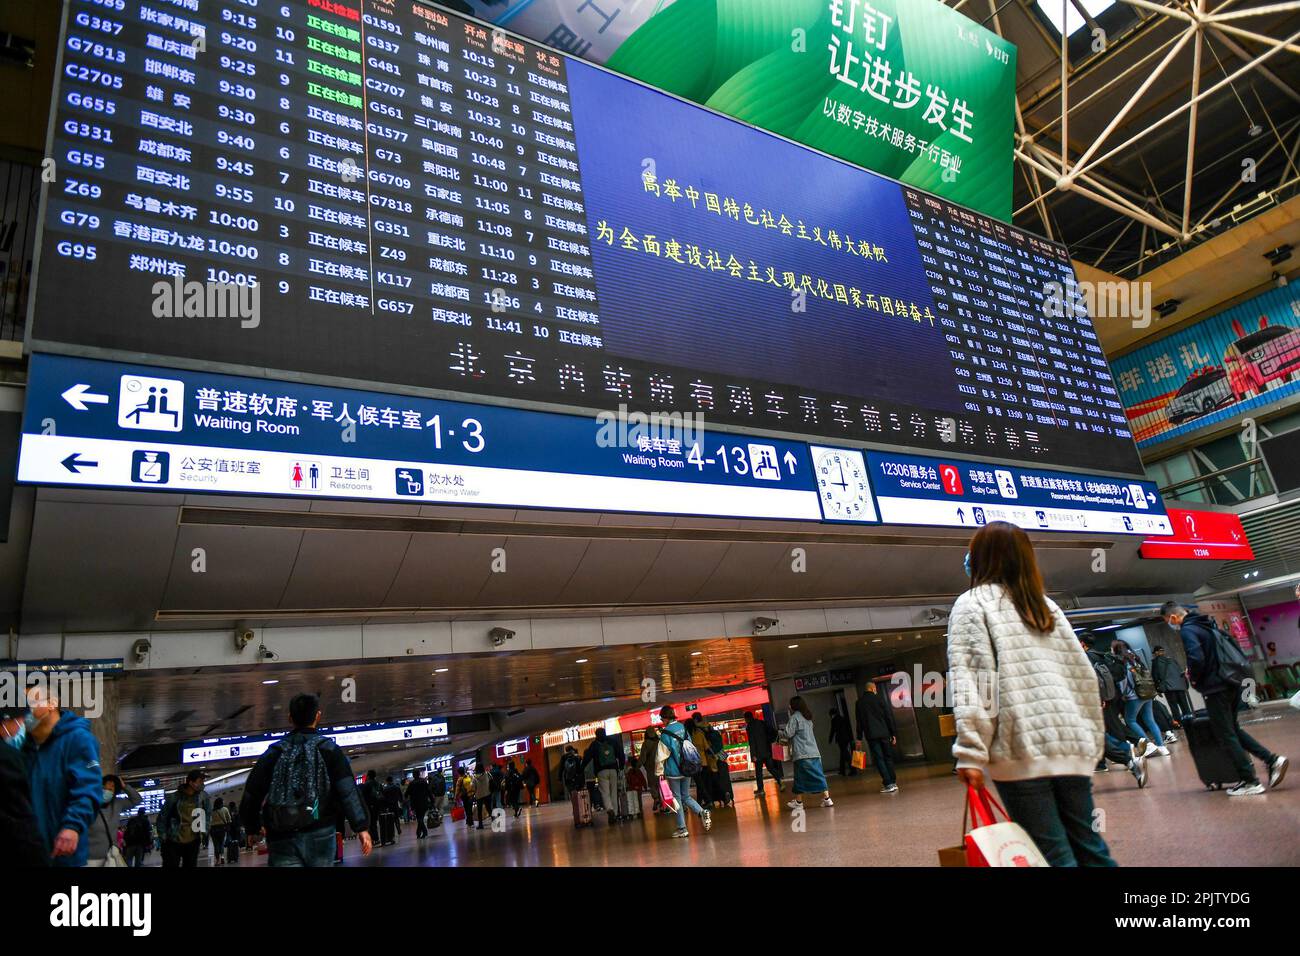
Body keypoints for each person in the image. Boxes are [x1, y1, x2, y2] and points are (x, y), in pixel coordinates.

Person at [948, 521, 1114, 867]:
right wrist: (1089, 738)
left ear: (980, 558)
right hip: (1070, 743)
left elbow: (976, 683)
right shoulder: (1046, 606)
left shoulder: (972, 604)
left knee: (1052, 853)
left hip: (1021, 747)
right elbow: (1081, 676)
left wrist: (970, 753)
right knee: (1090, 846)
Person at [1161, 602, 1288, 795]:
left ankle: (1250, 781)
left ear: (1173, 617)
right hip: (1232, 682)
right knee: (1233, 729)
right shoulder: (1207, 624)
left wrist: (1193, 677)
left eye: (1167, 621)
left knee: (1225, 734)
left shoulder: (1188, 629)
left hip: (1215, 688)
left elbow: (1196, 658)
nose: (1171, 625)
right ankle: (1271, 760)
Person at [239, 693, 372, 866]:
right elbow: (347, 791)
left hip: (282, 836)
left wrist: (252, 828)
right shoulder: (329, 750)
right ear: (318, 715)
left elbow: (252, 793)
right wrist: (361, 827)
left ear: (290, 718)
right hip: (321, 832)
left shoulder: (274, 752)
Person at [15, 687, 102, 867]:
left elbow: (88, 789)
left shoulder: (78, 739)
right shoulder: (24, 748)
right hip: (29, 852)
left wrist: (72, 826)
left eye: (30, 703)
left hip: (63, 854)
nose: (24, 710)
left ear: (51, 704)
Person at [0, 705, 48, 866]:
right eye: (20, 719)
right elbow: (21, 818)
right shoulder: (8, 758)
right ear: (6, 720)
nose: (22, 725)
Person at [655, 705, 711, 838]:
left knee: (677, 799)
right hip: (687, 769)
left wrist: (659, 773)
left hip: (673, 772)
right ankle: (702, 812)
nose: (662, 721)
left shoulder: (665, 734)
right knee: (686, 796)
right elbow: (689, 746)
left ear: (665, 718)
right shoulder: (683, 728)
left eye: (662, 719)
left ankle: (682, 828)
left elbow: (660, 756)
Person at [1112, 640, 1169, 758]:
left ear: (1116, 649)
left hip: (1134, 696)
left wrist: (1124, 694)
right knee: (1150, 720)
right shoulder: (1136, 658)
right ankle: (1162, 747)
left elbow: (1124, 680)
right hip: (1148, 693)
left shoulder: (1123, 661)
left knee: (1130, 720)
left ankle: (1148, 745)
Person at [780, 696, 833, 811]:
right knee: (818, 775)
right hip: (814, 752)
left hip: (802, 753)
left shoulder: (795, 718)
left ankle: (799, 803)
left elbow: (788, 734)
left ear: (794, 705)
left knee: (799, 778)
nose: (789, 706)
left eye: (790, 704)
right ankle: (827, 799)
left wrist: (780, 732)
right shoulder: (808, 717)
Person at [83, 773, 142, 868]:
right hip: (89, 856)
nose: (107, 790)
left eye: (111, 789)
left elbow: (137, 800)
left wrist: (124, 786)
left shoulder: (118, 803)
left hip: (109, 856)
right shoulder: (89, 803)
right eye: (104, 787)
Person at [159, 770, 211, 868]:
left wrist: (205, 831)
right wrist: (163, 837)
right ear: (191, 783)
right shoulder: (174, 797)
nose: (202, 784)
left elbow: (208, 814)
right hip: (173, 840)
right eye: (200, 781)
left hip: (193, 841)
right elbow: (162, 818)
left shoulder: (203, 797)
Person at [855, 682, 900, 792]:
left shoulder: (859, 703)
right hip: (885, 734)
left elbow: (859, 721)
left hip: (872, 735)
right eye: (875, 688)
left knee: (879, 759)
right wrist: (893, 733)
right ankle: (893, 782)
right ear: (872, 688)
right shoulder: (880, 699)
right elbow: (888, 716)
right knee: (888, 757)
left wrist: (859, 738)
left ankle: (888, 783)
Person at [582, 727, 624, 825]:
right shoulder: (612, 741)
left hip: (601, 771)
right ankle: (616, 813)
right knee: (614, 791)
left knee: (605, 792)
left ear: (596, 735)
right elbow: (620, 754)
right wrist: (621, 766)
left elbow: (587, 757)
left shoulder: (594, 744)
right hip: (613, 769)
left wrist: (581, 768)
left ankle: (610, 810)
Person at [1151, 645, 1192, 733]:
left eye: (1154, 653)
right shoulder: (1172, 660)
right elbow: (1180, 672)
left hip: (1169, 688)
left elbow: (1155, 677)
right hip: (1180, 687)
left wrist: (1157, 689)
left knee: (1174, 707)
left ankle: (1179, 724)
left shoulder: (1155, 662)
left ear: (1157, 652)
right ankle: (1190, 722)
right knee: (1185, 706)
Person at [744, 711, 784, 794]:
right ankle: (780, 780)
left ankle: (761, 790)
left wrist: (753, 755)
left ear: (746, 719)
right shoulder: (761, 723)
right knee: (771, 768)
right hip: (767, 751)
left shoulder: (749, 727)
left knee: (759, 772)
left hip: (758, 754)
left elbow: (752, 742)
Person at [689, 713, 719, 809]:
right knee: (705, 783)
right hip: (704, 762)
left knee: (699, 784)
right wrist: (714, 755)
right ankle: (707, 800)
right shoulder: (700, 733)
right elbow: (707, 747)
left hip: (694, 764)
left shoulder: (688, 737)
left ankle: (706, 801)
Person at [640, 727, 664, 810]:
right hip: (660, 766)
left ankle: (656, 798)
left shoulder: (646, 743)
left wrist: (638, 766)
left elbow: (643, 758)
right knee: (660, 784)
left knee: (652, 784)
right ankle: (662, 802)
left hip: (650, 767)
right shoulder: (659, 742)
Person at [828, 707, 856, 776]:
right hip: (847, 738)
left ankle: (853, 770)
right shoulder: (842, 718)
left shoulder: (834, 720)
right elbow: (848, 728)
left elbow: (833, 730)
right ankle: (842, 770)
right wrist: (851, 738)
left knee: (846, 755)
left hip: (841, 739)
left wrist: (830, 739)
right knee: (843, 754)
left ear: (831, 714)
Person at [407, 768, 433, 838]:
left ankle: (423, 831)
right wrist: (432, 801)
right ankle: (420, 833)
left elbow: (407, 793)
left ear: (413, 775)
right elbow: (429, 791)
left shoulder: (412, 783)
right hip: (424, 802)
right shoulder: (424, 782)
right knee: (420, 817)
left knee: (419, 818)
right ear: (419, 774)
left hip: (415, 803)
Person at [208, 796, 231, 866]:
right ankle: (222, 857)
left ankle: (217, 860)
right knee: (221, 843)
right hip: (222, 828)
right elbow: (229, 819)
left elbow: (209, 821)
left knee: (216, 845)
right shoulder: (225, 809)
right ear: (221, 802)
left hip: (213, 829)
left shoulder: (212, 811)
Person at [362, 770, 383, 844]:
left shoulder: (367, 784)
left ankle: (375, 839)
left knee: (371, 823)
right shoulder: (378, 784)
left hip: (369, 806)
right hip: (377, 805)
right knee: (375, 822)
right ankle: (375, 838)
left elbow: (363, 796)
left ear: (368, 775)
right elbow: (382, 795)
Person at [473, 764, 492, 828]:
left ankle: (480, 824)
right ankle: (493, 820)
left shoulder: (475, 777)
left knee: (479, 810)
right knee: (489, 808)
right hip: (487, 793)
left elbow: (473, 787)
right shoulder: (487, 774)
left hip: (479, 795)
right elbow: (491, 781)